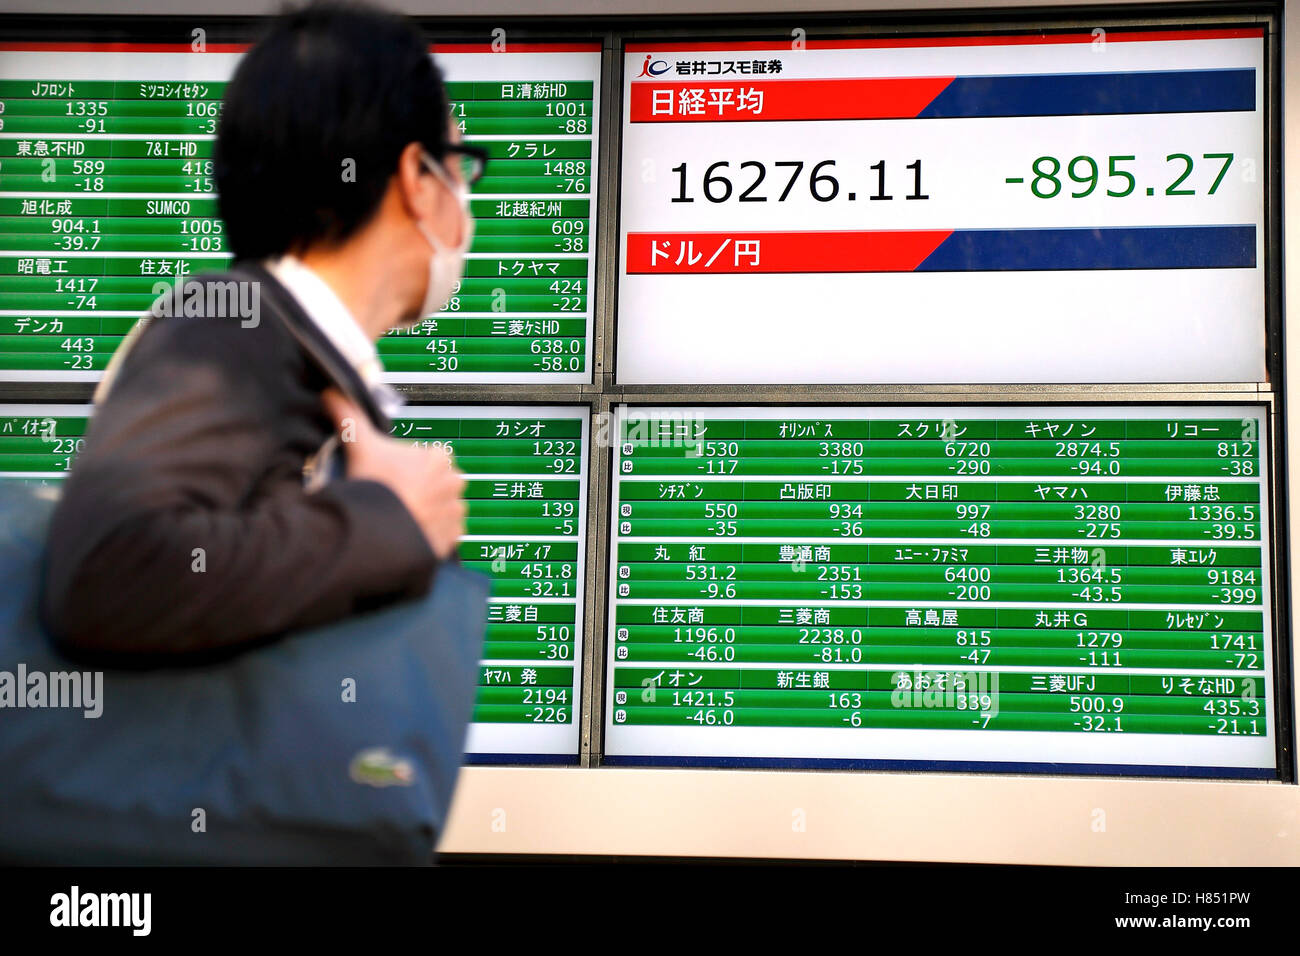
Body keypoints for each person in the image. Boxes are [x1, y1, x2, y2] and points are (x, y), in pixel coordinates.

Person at [40, 1, 480, 657]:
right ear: (416, 178)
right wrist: (390, 520)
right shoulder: (230, 328)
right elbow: (109, 569)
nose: (465, 203)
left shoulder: (298, 350)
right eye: (459, 165)